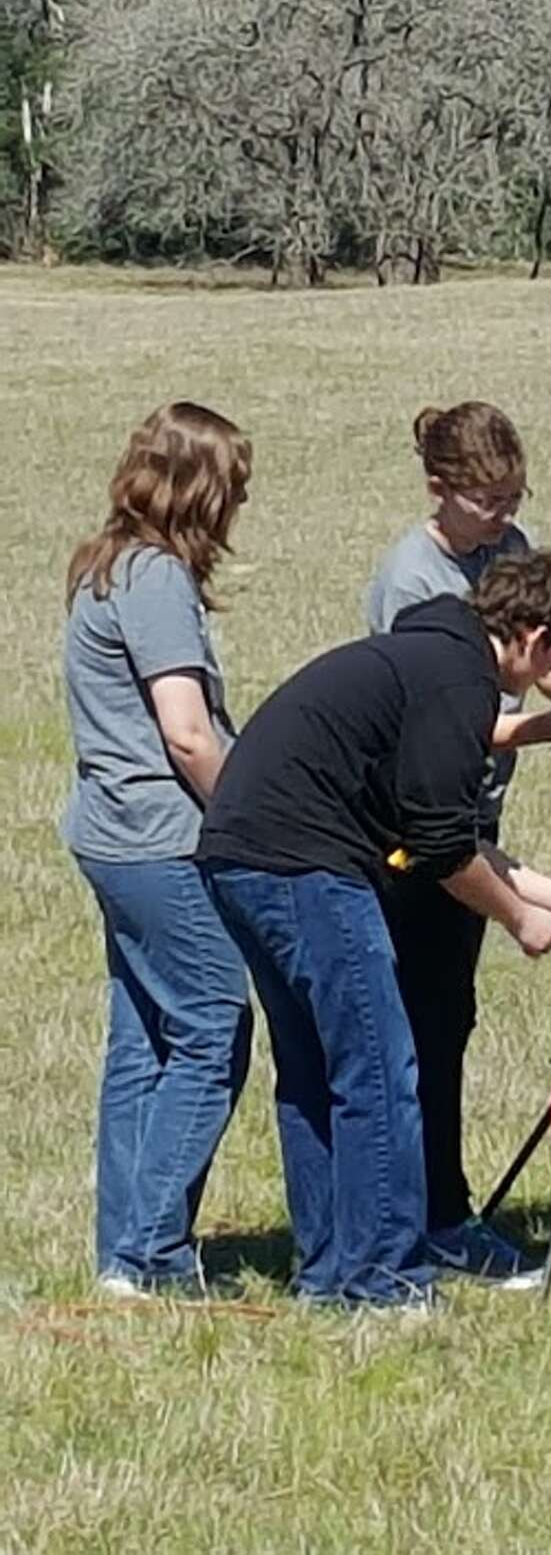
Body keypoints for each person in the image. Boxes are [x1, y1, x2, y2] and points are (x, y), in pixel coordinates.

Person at [199, 550, 551, 1315]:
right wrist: (521, 919)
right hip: (308, 865)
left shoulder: (423, 656)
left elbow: (434, 827)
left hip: (237, 854)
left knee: (319, 1072)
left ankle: (327, 1273)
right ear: (532, 635)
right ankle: (385, 1278)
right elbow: (442, 847)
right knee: (381, 1070)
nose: (543, 677)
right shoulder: (460, 680)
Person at [365, 403, 551, 1285]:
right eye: (488, 502)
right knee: (418, 1028)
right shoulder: (412, 581)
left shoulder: (509, 546)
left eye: (515, 497)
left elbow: (530, 660)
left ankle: (438, 1206)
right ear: (439, 492)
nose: (504, 516)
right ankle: (424, 1214)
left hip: (473, 822)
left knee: (451, 1020)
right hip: (418, 832)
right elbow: (439, 719)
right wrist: (541, 731)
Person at [62, 402, 254, 1296]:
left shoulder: (101, 568)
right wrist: (252, 820)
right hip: (160, 840)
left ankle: (122, 1261)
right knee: (215, 1024)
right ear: (197, 492)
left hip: (107, 832)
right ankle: (153, 1251)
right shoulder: (157, 581)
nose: (237, 509)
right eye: (232, 491)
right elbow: (187, 733)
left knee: (143, 1035)